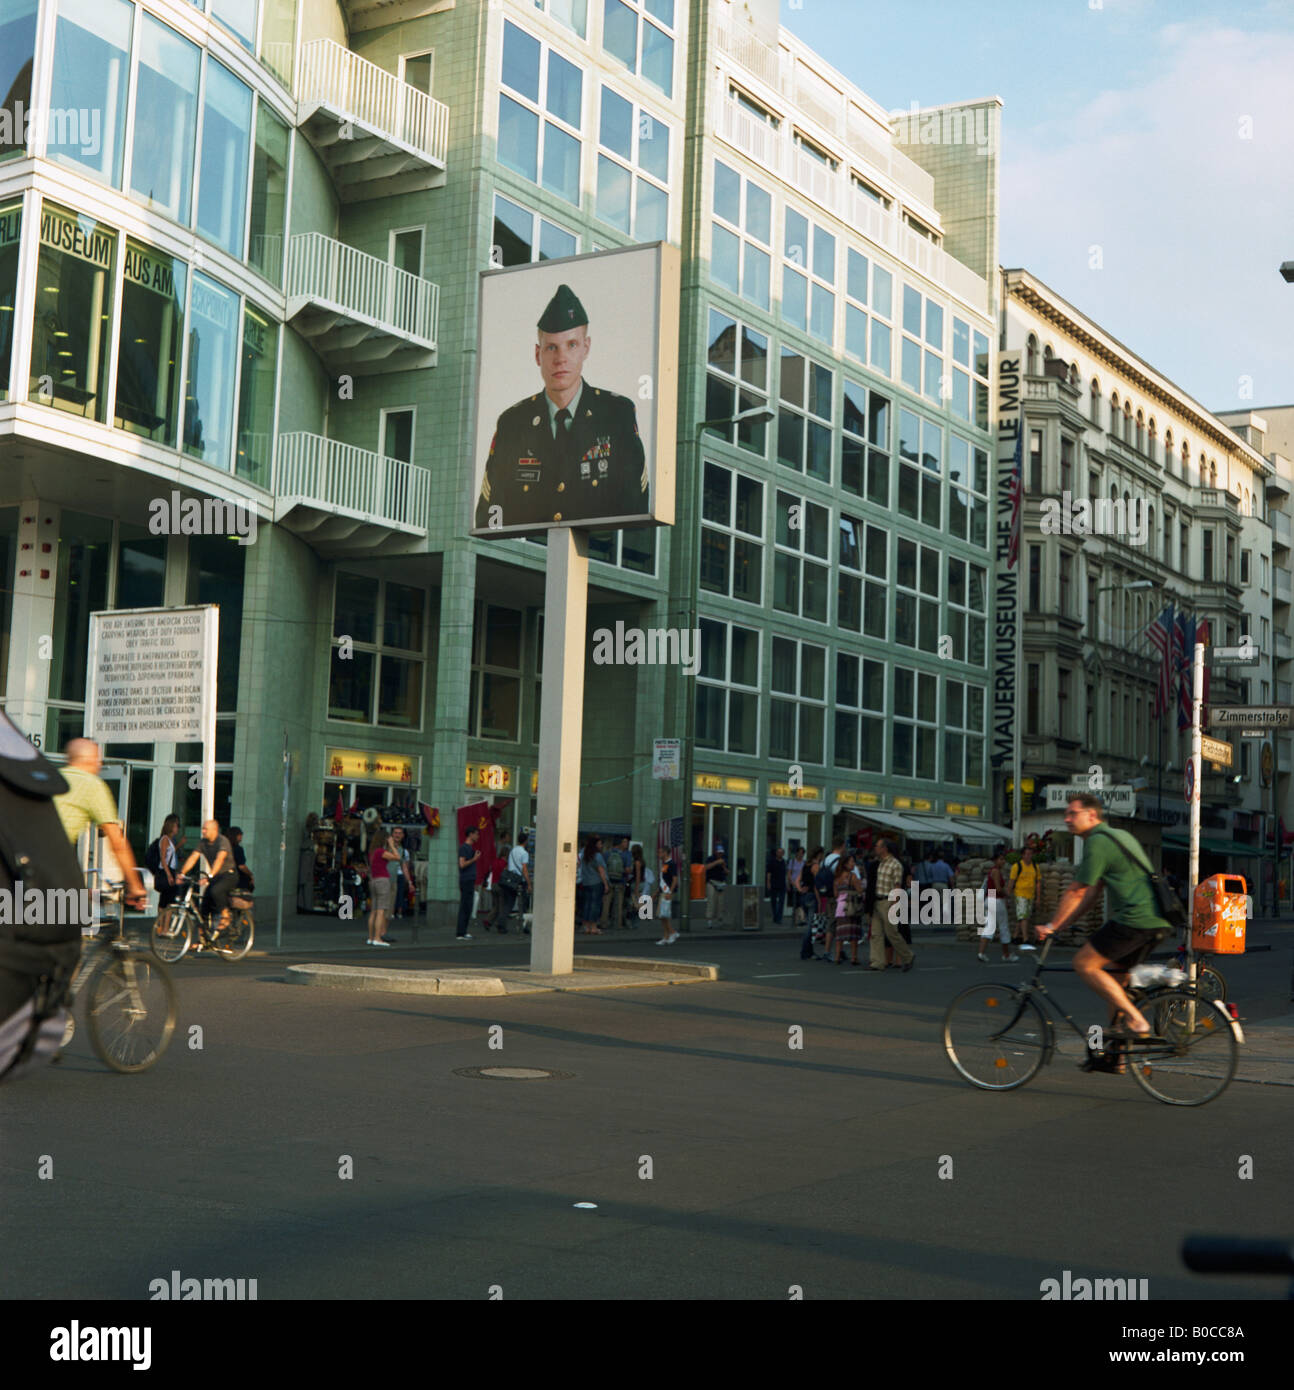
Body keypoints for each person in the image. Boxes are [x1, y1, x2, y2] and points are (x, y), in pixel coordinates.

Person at [473, 283, 647, 531]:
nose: (560, 358)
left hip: (596, 555)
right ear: (537, 354)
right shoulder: (513, 423)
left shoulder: (616, 414)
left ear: (586, 348)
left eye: (571, 345)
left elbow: (636, 508)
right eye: (551, 347)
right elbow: (492, 519)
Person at [1036, 794, 1176, 1073]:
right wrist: (1061, 926)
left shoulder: (1097, 842)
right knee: (1115, 978)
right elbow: (1091, 895)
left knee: (1084, 964)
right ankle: (1116, 1056)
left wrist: (1050, 926)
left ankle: (1137, 1021)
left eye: (1072, 813)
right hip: (1155, 920)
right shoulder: (1118, 836)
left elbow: (1076, 890)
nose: (1066, 819)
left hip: (1134, 919)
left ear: (1091, 816)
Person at [0, 714, 87, 1085]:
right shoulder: (20, 753)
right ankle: (54, 1000)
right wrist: (133, 885)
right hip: (50, 889)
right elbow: (116, 839)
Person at [53, 738, 147, 914]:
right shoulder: (92, 785)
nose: (100, 764)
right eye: (98, 759)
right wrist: (134, 885)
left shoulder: (52, 777)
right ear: (90, 760)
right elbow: (118, 843)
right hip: (46, 868)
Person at [176, 819, 238, 943]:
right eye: (202, 829)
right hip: (215, 876)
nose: (203, 831)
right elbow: (193, 857)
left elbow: (219, 859)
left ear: (214, 830)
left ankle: (226, 916)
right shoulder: (203, 843)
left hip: (229, 875)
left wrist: (209, 876)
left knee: (215, 891)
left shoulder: (222, 841)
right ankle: (203, 940)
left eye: (205, 829)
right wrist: (182, 873)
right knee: (203, 909)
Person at [869, 837, 915, 972]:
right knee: (876, 933)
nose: (875, 849)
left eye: (877, 846)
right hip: (877, 900)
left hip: (889, 901)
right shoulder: (879, 863)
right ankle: (877, 962)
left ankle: (908, 956)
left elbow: (897, 886)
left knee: (892, 933)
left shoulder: (895, 865)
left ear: (884, 848)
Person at [976, 852, 1017, 964]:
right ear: (995, 860)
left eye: (1003, 859)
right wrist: (1007, 894)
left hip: (989, 899)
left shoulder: (991, 872)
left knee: (989, 927)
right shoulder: (996, 871)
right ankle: (1006, 954)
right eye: (1001, 859)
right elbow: (998, 889)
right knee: (1004, 927)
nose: (1003, 862)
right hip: (996, 901)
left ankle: (981, 952)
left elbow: (992, 889)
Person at [365, 826, 401, 946]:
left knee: (373, 911)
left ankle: (370, 937)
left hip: (373, 881)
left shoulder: (373, 852)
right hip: (382, 881)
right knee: (381, 911)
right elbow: (397, 857)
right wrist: (391, 845)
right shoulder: (381, 852)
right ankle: (377, 938)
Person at [150, 814, 182, 938]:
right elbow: (163, 859)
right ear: (171, 826)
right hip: (166, 872)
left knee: (165, 902)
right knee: (168, 903)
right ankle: (163, 928)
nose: (177, 828)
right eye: (176, 825)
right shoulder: (164, 839)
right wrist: (169, 875)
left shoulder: (169, 840)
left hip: (169, 871)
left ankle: (162, 928)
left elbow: (170, 856)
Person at [831, 854, 864, 966]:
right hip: (850, 906)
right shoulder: (852, 876)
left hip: (839, 907)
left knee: (840, 933)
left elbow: (835, 894)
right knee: (853, 933)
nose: (853, 864)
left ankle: (837, 956)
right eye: (851, 862)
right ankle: (854, 957)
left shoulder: (837, 878)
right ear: (846, 864)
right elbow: (859, 890)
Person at [1010, 843, 1042, 951]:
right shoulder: (1017, 866)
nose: (1029, 856)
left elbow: (1038, 882)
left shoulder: (1035, 866)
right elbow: (1012, 881)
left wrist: (1038, 898)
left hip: (1030, 895)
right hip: (1020, 894)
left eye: (1030, 854)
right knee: (1023, 916)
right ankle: (1025, 939)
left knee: (1024, 917)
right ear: (1022, 855)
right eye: (1027, 854)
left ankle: (1014, 937)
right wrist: (1008, 893)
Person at [498, 831, 531, 933]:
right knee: (524, 904)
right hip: (519, 880)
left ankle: (501, 925)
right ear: (525, 841)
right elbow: (524, 869)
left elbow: (508, 864)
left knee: (508, 903)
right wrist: (529, 883)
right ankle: (524, 926)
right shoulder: (524, 853)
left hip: (510, 879)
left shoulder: (512, 850)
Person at [577, 836, 609, 935]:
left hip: (585, 882)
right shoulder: (597, 856)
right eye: (600, 843)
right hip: (596, 882)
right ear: (595, 845)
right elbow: (601, 871)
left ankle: (586, 926)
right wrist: (606, 884)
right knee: (595, 905)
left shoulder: (584, 855)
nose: (601, 845)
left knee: (586, 905)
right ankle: (594, 927)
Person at [798, 847, 825, 960]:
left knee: (809, 924)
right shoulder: (815, 866)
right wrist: (819, 901)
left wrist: (800, 889)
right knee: (810, 925)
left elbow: (798, 879)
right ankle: (805, 951)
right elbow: (816, 885)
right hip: (812, 896)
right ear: (819, 855)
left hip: (804, 896)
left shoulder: (806, 865)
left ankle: (809, 951)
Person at [456, 826, 480, 940]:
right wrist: (474, 859)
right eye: (476, 834)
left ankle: (463, 931)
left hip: (469, 879)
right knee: (465, 905)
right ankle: (460, 932)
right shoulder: (465, 848)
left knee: (468, 905)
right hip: (466, 879)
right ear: (470, 834)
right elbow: (462, 864)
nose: (477, 836)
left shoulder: (469, 847)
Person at [388, 826, 415, 923]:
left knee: (399, 895)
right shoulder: (386, 848)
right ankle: (390, 912)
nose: (397, 835)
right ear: (392, 834)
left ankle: (398, 912)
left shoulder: (404, 851)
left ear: (403, 835)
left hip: (399, 875)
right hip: (388, 875)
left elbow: (405, 867)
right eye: (395, 833)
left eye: (399, 833)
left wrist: (409, 881)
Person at [604, 834, 630, 929]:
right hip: (620, 881)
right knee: (618, 904)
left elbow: (604, 867)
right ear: (619, 844)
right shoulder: (625, 855)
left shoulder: (606, 854)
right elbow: (627, 869)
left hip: (609, 882)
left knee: (606, 903)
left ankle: (604, 922)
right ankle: (617, 924)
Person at [655, 850, 679, 945]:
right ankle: (666, 935)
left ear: (666, 853)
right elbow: (663, 880)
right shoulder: (665, 864)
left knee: (664, 914)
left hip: (667, 892)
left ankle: (672, 932)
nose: (658, 854)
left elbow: (675, 879)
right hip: (663, 891)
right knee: (662, 915)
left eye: (660, 852)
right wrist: (656, 892)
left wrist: (670, 891)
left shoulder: (671, 864)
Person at [703, 844, 727, 924]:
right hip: (711, 882)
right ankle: (709, 919)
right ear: (715, 852)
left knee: (721, 902)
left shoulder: (723, 859)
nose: (720, 854)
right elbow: (706, 867)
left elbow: (726, 871)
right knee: (711, 900)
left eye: (721, 853)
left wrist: (724, 868)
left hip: (721, 881)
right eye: (719, 852)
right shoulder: (711, 859)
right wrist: (716, 862)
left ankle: (720, 918)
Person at [228, 826, 255, 894]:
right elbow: (241, 866)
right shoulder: (238, 849)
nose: (241, 837)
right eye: (240, 835)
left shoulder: (225, 848)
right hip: (238, 878)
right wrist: (250, 874)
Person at [765, 845, 787, 925]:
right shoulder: (772, 861)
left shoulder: (784, 862)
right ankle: (775, 916)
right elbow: (769, 873)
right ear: (776, 853)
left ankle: (779, 918)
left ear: (783, 854)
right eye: (778, 852)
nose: (780, 854)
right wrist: (768, 883)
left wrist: (787, 883)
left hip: (782, 884)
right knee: (773, 901)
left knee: (781, 902)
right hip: (774, 884)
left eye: (781, 852)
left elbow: (786, 874)